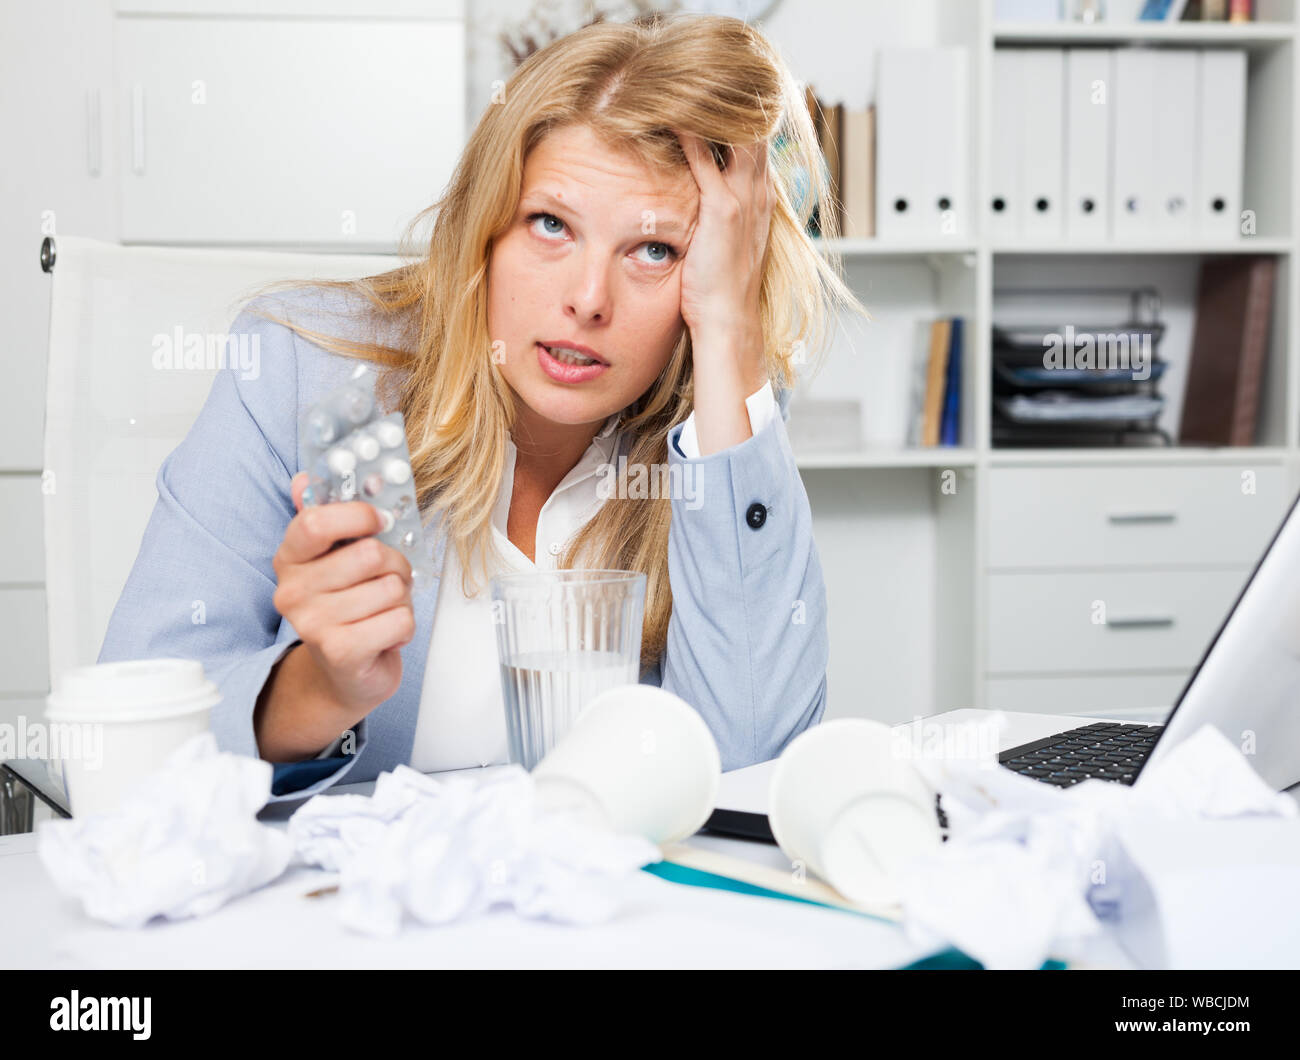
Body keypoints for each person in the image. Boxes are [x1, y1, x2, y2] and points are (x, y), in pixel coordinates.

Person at [99, 13, 864, 804]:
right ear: (482, 226)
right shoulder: (313, 376)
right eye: (550, 225)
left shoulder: (714, 426)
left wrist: (732, 334)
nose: (588, 300)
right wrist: (320, 689)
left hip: (610, 912)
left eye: (654, 250)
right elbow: (127, 748)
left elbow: (750, 762)